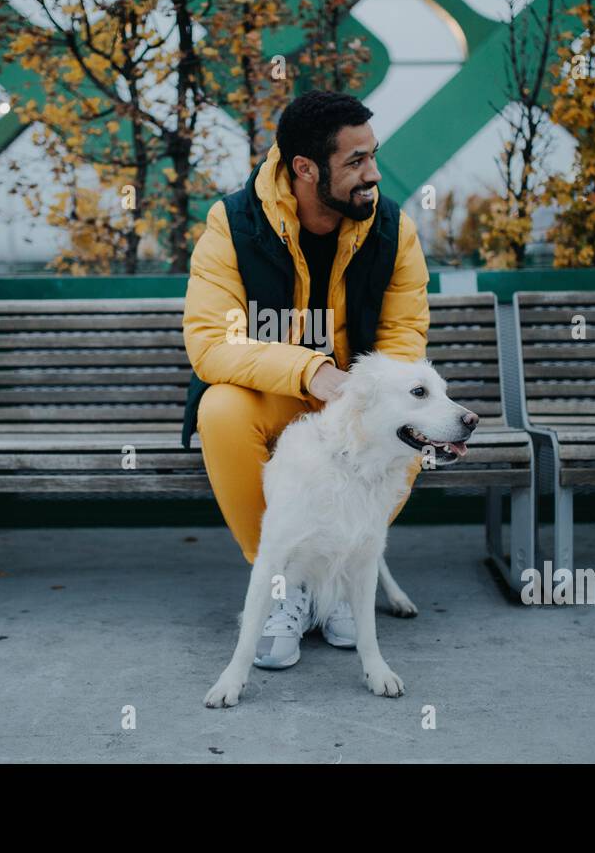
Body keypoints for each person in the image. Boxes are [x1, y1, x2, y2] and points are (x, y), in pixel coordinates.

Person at [181, 89, 430, 669]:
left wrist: (358, 394)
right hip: (273, 397)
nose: (373, 174)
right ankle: (282, 587)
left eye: (373, 156)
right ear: (304, 169)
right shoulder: (233, 224)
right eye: (356, 162)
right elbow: (212, 342)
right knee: (219, 411)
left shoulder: (395, 232)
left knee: (405, 426)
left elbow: (402, 345)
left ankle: (340, 580)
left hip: (354, 404)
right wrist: (310, 371)